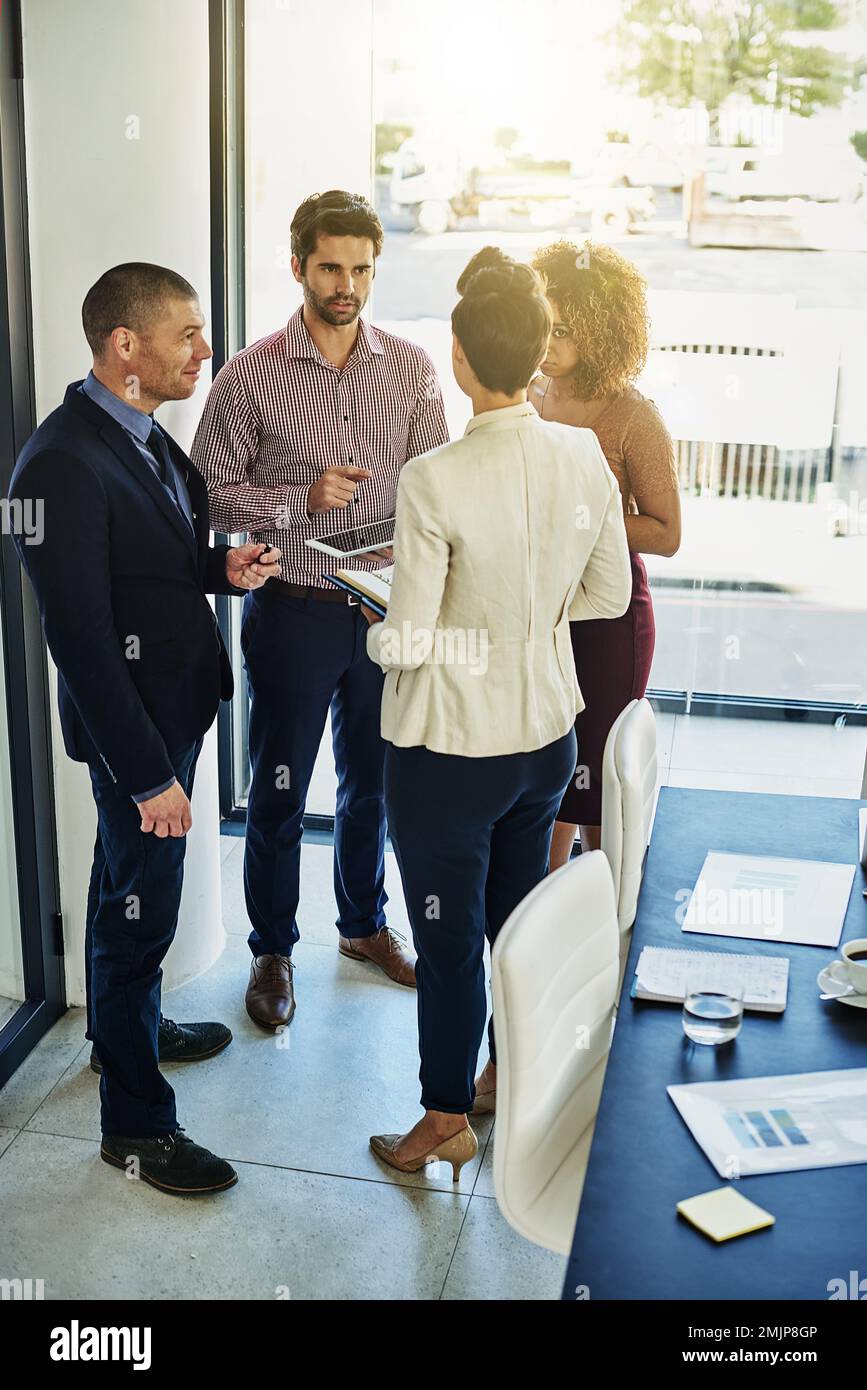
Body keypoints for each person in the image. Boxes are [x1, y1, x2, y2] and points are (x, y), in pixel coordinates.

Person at [9, 263, 280, 1196]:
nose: (205, 351)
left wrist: (219, 565)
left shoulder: (137, 434)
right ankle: (135, 1127)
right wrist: (147, 778)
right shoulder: (57, 463)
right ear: (125, 347)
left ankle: (123, 1031)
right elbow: (81, 643)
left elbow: (144, 559)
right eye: (188, 335)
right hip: (141, 741)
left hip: (173, 714)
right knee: (141, 917)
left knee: (120, 884)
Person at [361, 247, 633, 1178]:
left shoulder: (434, 478)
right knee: (514, 926)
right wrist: (521, 622)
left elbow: (405, 644)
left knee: (444, 944)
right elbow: (603, 595)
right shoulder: (582, 453)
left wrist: (379, 617)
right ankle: (508, 1072)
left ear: (459, 359)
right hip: (544, 741)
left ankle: (442, 1118)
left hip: (447, 755)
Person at [192, 189, 448, 1031]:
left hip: (383, 612)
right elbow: (207, 494)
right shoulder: (248, 375)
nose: (347, 285)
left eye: (362, 269)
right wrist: (298, 497)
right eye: (331, 267)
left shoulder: (410, 369)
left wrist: (414, 592)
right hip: (292, 611)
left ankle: (364, 927)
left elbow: (438, 490)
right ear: (297, 264)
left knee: (374, 785)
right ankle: (271, 948)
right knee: (278, 787)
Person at [527, 240, 681, 872]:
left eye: (564, 330)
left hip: (611, 619)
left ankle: (590, 909)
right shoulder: (529, 394)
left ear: (600, 332)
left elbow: (667, 532)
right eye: (543, 323)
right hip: (546, 610)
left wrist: (585, 521)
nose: (548, 343)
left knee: (591, 769)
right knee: (551, 762)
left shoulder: (633, 415)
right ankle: (543, 909)